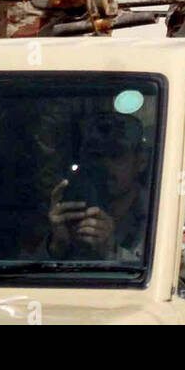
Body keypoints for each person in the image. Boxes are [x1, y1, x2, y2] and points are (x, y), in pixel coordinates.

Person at [45, 112, 149, 262]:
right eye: (96, 156)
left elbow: (182, 280)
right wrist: (57, 246)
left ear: (141, 161)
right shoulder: (70, 208)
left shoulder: (162, 216)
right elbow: (20, 273)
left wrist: (111, 251)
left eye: (116, 155)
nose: (105, 166)